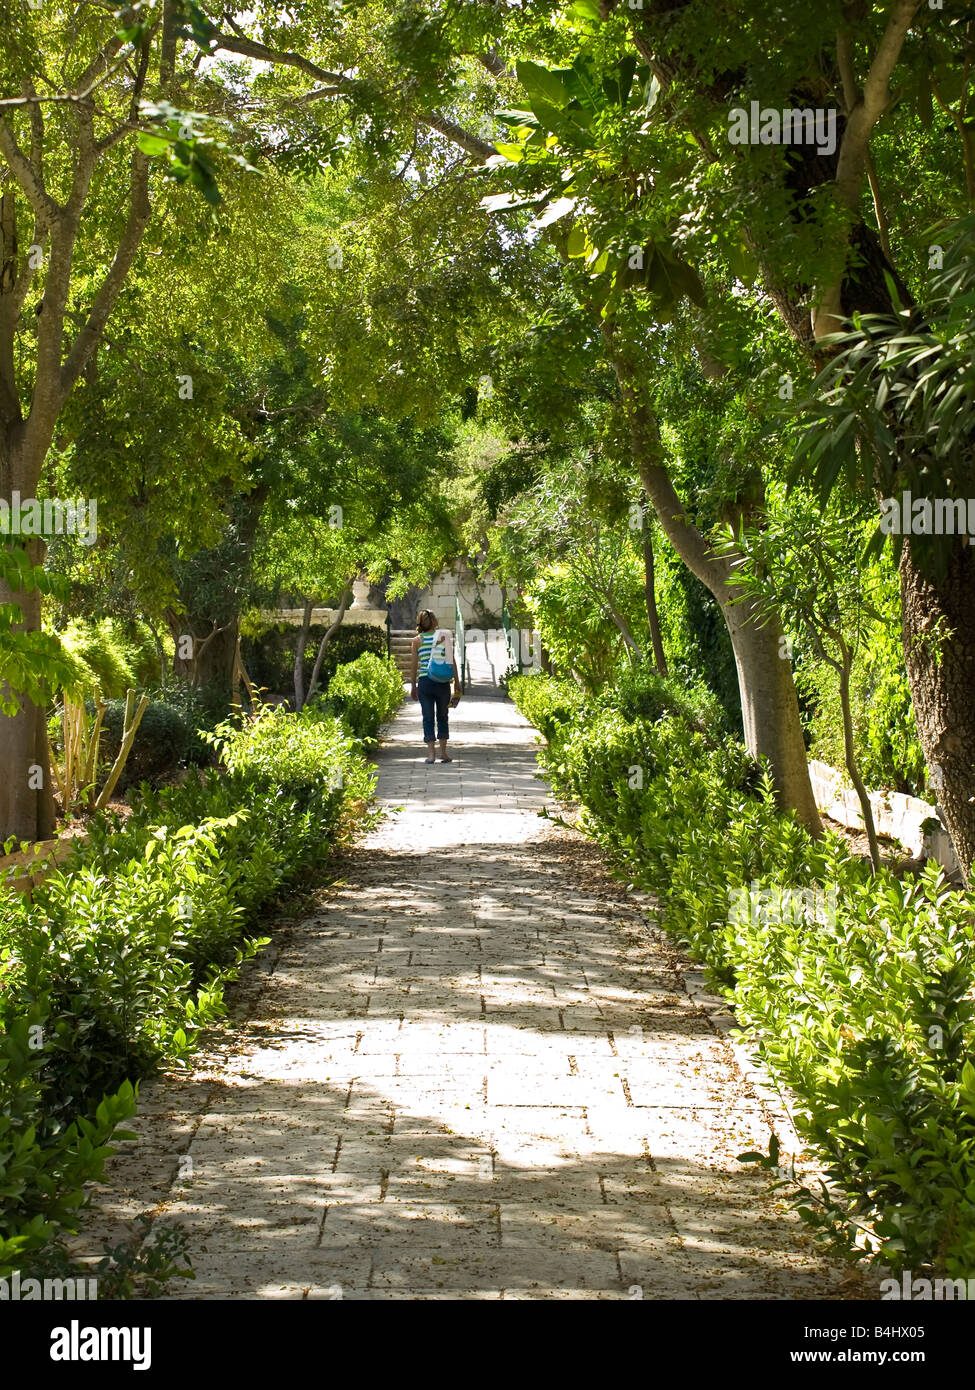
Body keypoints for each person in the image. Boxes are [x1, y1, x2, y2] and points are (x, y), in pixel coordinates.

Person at [410, 609, 461, 763]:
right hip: (442, 682)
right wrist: (457, 683)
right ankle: (443, 754)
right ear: (434, 622)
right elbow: (451, 661)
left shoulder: (417, 640)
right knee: (443, 716)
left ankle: (431, 755)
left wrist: (413, 685)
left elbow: (414, 666)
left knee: (428, 717)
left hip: (425, 682)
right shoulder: (443, 637)